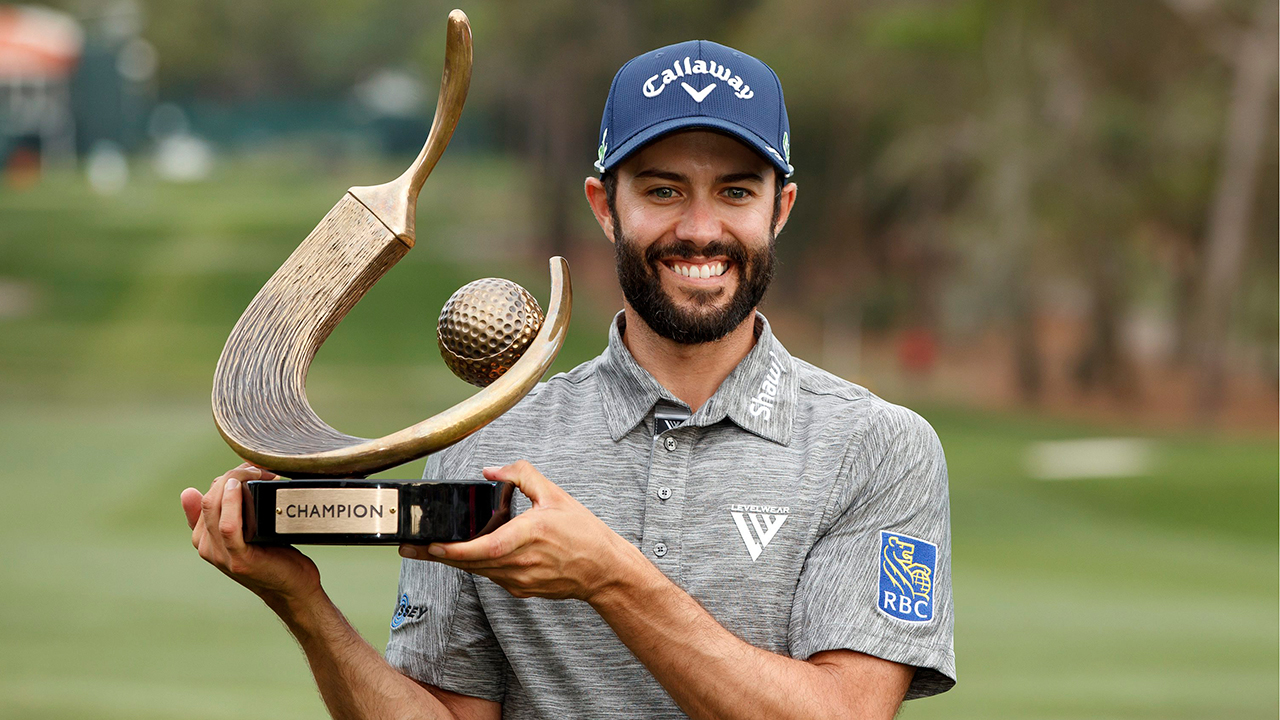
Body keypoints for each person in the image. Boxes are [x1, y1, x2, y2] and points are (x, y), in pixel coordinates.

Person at [182, 40, 955, 720]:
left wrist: (610, 577)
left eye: (736, 191)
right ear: (604, 206)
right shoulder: (485, 445)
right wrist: (305, 606)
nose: (699, 229)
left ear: (779, 209)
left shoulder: (878, 448)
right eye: (661, 190)